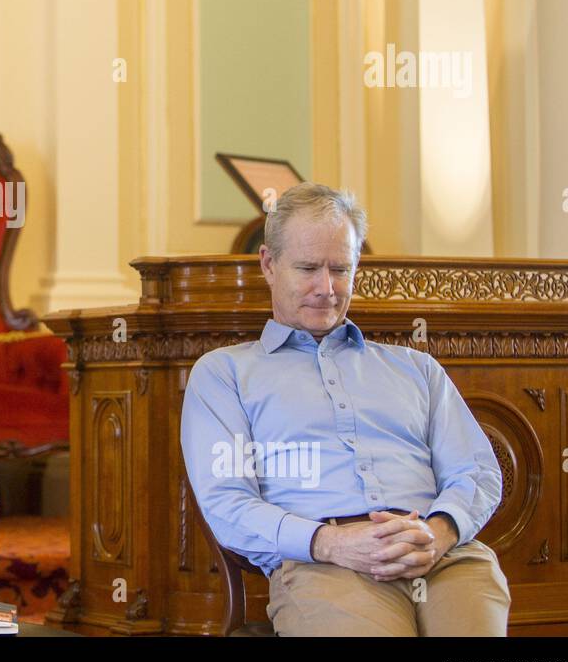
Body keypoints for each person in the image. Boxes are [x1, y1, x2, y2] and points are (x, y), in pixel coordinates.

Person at [181, 182, 510, 636]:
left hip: (443, 558)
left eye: (340, 268)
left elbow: (477, 471)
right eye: (308, 268)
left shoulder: (417, 369)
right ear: (269, 264)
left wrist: (441, 532)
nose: (326, 288)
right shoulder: (224, 375)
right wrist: (331, 543)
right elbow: (227, 503)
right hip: (322, 566)